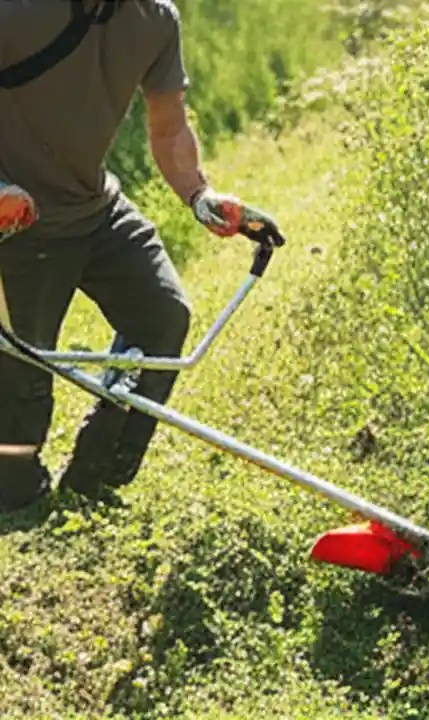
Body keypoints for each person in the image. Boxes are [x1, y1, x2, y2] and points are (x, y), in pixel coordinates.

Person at [0, 0, 250, 512]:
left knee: (161, 319)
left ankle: (96, 478)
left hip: (96, 208)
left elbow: (170, 129)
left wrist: (201, 197)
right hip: (15, 228)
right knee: (20, 381)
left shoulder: (155, 20)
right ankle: (17, 501)